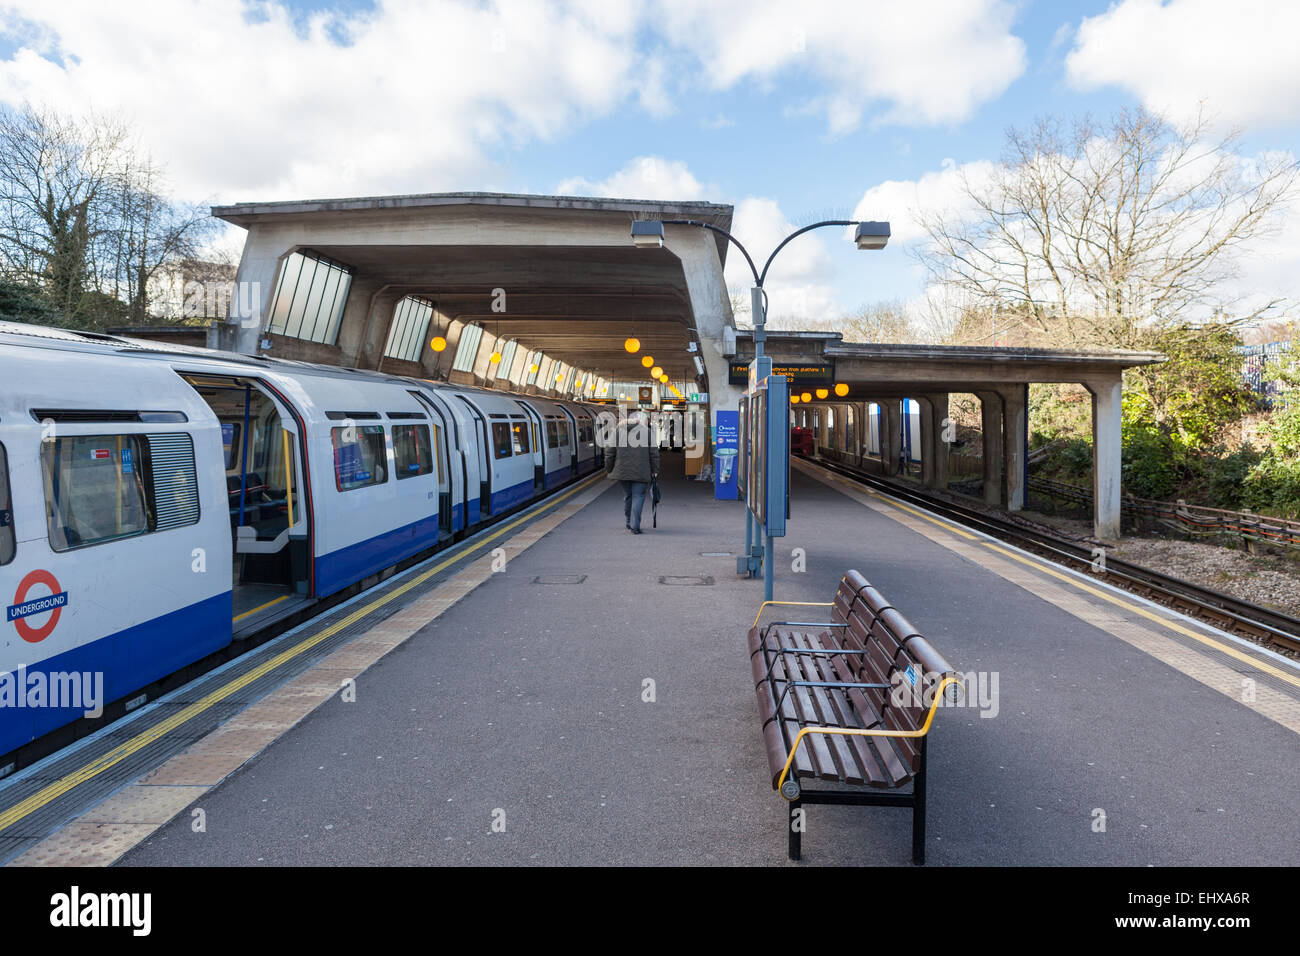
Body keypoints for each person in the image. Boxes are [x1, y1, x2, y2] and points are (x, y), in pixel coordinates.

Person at [604, 409, 659, 534]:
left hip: (622, 472)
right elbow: (654, 454)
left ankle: (628, 521)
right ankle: (635, 525)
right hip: (642, 472)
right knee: (638, 496)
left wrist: (609, 468)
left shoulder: (617, 432)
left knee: (628, 496)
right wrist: (655, 470)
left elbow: (609, 453)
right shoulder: (647, 432)